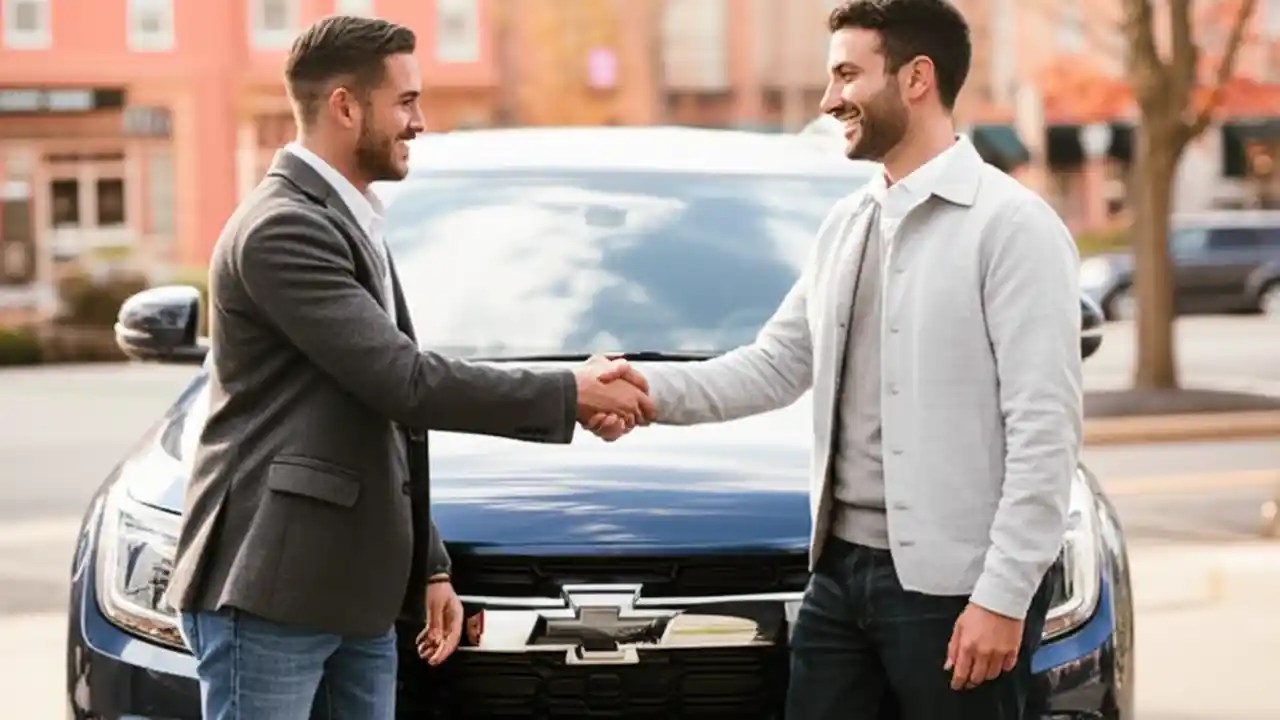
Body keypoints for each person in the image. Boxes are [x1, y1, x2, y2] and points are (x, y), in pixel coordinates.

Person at [589, 1, 1082, 717]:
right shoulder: (847, 225)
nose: (829, 101)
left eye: (848, 75)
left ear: (917, 78)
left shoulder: (1013, 228)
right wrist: (644, 391)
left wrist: (1004, 597)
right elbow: (775, 364)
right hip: (839, 577)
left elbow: (1046, 431)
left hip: (954, 590)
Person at [165, 15, 653, 720]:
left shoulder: (349, 216)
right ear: (344, 106)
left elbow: (381, 418)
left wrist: (427, 563)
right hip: (270, 589)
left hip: (353, 591)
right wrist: (568, 391)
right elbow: (405, 382)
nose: (420, 121)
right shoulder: (283, 228)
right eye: (406, 101)